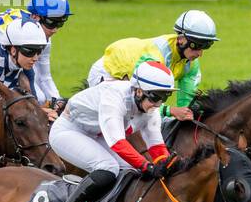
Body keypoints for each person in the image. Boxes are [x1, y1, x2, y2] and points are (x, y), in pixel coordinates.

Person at [45, 59, 175, 202]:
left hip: (98, 134)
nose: (158, 104)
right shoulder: (114, 97)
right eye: (155, 97)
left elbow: (156, 144)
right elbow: (117, 143)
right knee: (108, 167)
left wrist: (167, 165)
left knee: (131, 171)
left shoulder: (150, 109)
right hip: (69, 130)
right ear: (138, 91)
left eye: (164, 98)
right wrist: (147, 165)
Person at [86, 10, 218, 122]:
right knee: (128, 116)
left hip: (133, 79)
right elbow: (139, 98)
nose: (200, 53)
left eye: (206, 46)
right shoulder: (156, 57)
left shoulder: (191, 64)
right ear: (181, 39)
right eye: (197, 46)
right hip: (109, 72)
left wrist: (186, 114)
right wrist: (170, 110)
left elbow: (185, 104)